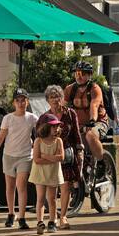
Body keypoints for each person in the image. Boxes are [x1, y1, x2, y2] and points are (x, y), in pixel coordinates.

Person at [0, 89, 37, 229]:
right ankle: (11, 213)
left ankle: (22, 217)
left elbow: (41, 133)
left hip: (25, 156)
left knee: (21, 186)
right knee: (9, 187)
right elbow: (0, 137)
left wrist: (38, 147)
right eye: (18, 100)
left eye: (23, 100)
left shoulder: (32, 118)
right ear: (14, 103)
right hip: (9, 155)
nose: (21, 103)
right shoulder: (8, 118)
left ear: (27, 102)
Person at [42, 85, 81, 228]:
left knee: (66, 186)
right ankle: (53, 217)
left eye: (57, 96)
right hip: (50, 156)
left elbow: (76, 134)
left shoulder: (70, 113)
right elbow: (40, 137)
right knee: (52, 188)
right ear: (47, 100)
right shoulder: (45, 117)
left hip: (67, 155)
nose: (55, 100)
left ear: (62, 98)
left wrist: (80, 150)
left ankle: (63, 216)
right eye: (52, 97)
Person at [30, 113, 66, 234]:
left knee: (52, 199)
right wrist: (52, 158)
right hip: (40, 173)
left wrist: (46, 156)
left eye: (57, 126)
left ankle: (52, 221)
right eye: (53, 126)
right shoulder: (38, 141)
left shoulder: (59, 141)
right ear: (45, 127)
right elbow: (36, 159)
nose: (56, 129)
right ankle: (40, 222)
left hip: (53, 173)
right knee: (40, 198)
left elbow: (61, 157)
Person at [68, 61, 108, 161]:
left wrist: (92, 121)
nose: (79, 76)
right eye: (77, 73)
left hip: (98, 122)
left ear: (89, 75)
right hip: (79, 125)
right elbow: (62, 107)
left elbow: (94, 105)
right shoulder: (70, 89)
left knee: (90, 135)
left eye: (83, 73)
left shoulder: (94, 89)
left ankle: (100, 163)